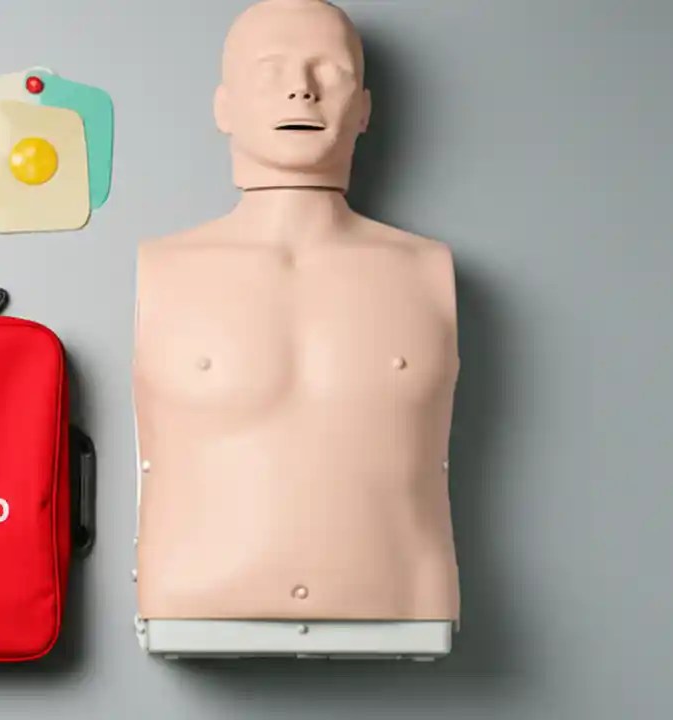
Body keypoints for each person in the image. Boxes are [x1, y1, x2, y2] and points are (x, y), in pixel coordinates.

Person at [133, 0, 461, 656]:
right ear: (222, 107)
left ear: (363, 109)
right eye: (271, 70)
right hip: (194, 599)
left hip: (402, 602)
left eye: (328, 71)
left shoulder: (428, 270)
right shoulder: (164, 267)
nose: (299, 88)